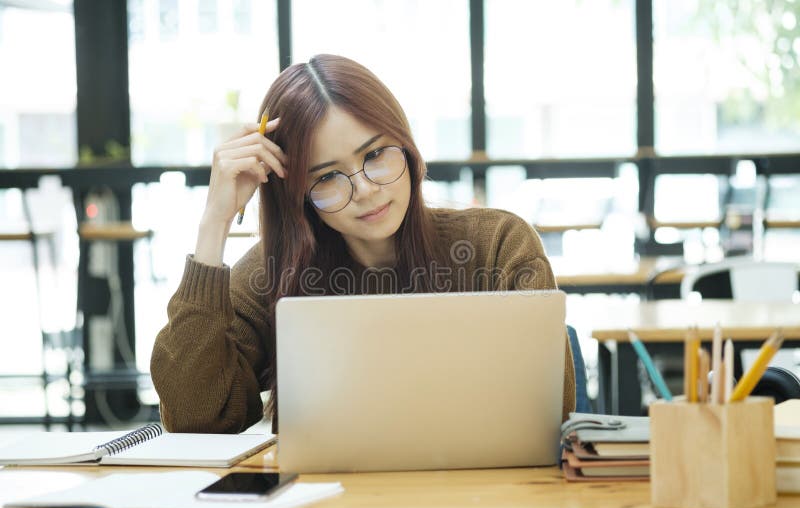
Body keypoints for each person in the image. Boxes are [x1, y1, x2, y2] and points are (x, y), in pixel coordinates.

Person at [151, 54, 575, 434]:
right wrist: (214, 224)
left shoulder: (497, 246)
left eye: (375, 156)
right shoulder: (271, 270)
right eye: (327, 178)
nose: (366, 190)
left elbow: (546, 415)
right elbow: (195, 415)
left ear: (406, 147)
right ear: (297, 194)